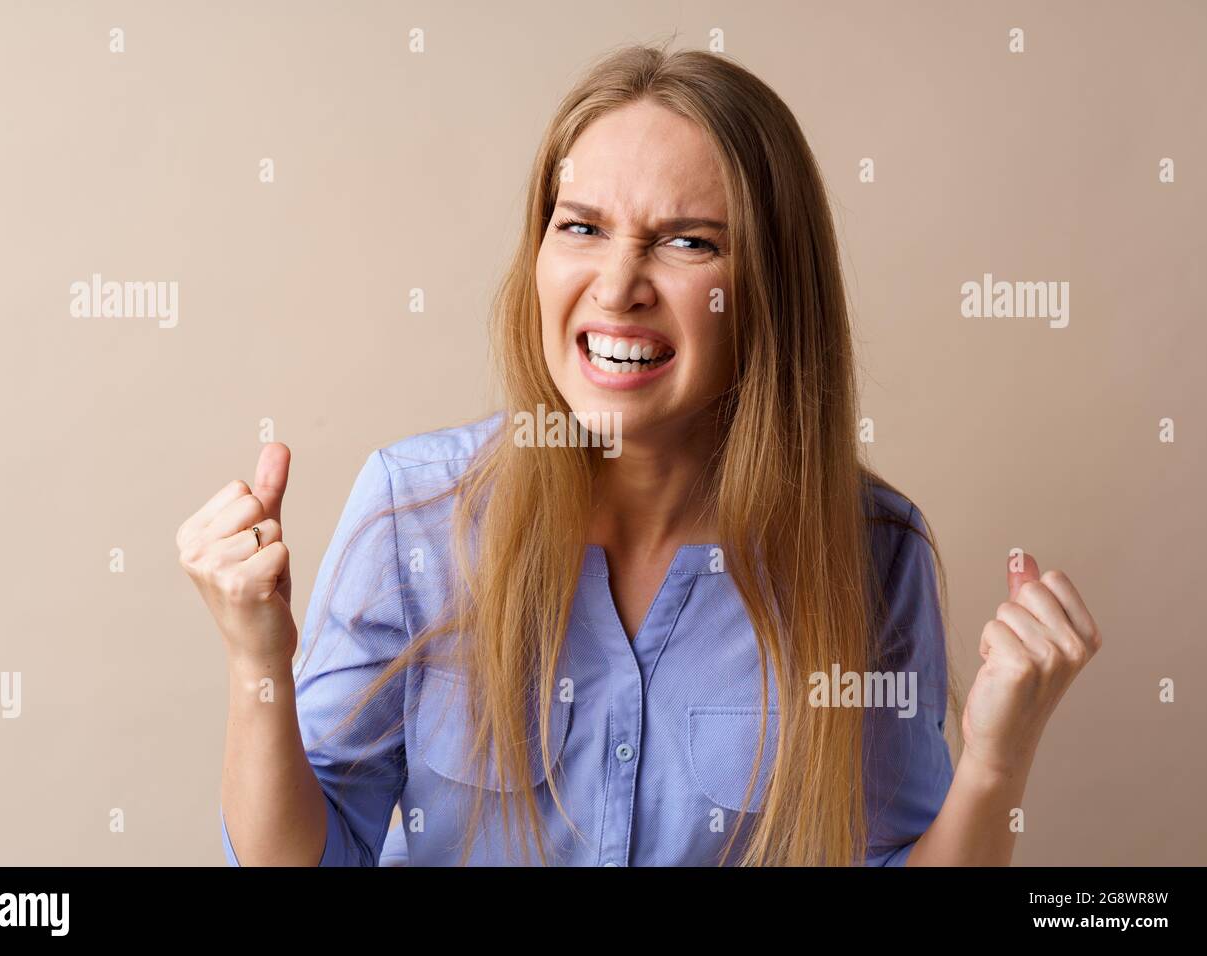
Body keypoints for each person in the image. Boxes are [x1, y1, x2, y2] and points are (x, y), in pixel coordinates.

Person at [177, 41, 1101, 867]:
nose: (617, 287)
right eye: (580, 227)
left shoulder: (872, 551)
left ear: (769, 292)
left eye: (687, 243)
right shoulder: (412, 512)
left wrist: (996, 761)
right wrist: (255, 658)